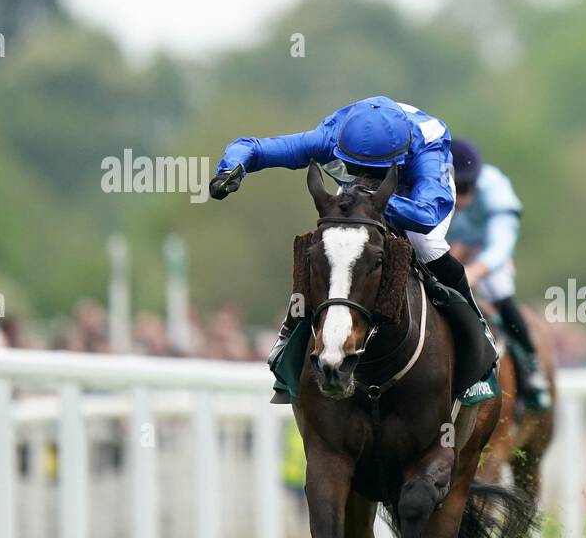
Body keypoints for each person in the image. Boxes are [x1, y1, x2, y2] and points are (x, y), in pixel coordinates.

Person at [208, 96, 497, 402]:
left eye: (373, 170)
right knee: (332, 243)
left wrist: (370, 196)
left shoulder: (428, 148)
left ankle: (477, 336)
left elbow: (427, 215)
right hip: (359, 192)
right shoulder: (330, 135)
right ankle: (290, 338)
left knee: (426, 245)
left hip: (414, 193)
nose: (364, 173)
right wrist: (232, 167)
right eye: (356, 167)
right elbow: (254, 148)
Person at [448, 138, 552, 411]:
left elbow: (500, 245)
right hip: (447, 251)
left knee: (500, 293)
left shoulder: (495, 188)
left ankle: (531, 367)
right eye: (453, 189)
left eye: (465, 189)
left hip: (486, 255)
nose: (459, 199)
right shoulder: (426, 182)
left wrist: (472, 272)